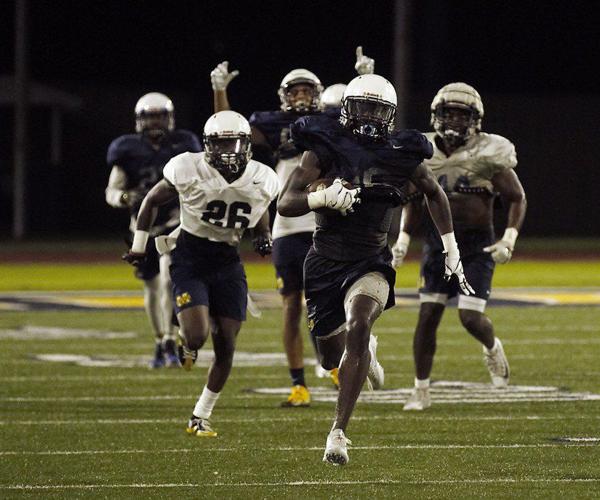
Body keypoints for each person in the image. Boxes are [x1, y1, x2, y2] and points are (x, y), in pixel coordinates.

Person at [277, 74, 472, 465]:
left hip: (371, 260)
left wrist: (452, 248)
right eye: (361, 107)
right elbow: (285, 203)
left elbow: (434, 193)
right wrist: (323, 198)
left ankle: (338, 432)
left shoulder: (401, 150)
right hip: (325, 262)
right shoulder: (323, 147)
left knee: (360, 321)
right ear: (347, 109)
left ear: (390, 116)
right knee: (331, 357)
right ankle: (367, 355)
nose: (367, 117)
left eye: (376, 110)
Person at [209, 47, 376, 407]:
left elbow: (367, 116)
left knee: (333, 300)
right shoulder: (272, 123)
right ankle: (299, 383)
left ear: (317, 94)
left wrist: (363, 79)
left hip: (327, 222)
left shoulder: (333, 120)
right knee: (291, 306)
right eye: (294, 91)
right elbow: (229, 131)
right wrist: (219, 91)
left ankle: (334, 364)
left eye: (306, 91)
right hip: (287, 222)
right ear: (284, 97)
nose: (301, 97)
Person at [123, 110, 279, 437]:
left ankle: (200, 415)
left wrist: (264, 234)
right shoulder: (188, 167)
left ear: (247, 145)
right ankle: (184, 338)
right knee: (196, 335)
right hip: (190, 257)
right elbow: (151, 201)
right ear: (208, 145)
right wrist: (140, 246)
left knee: (227, 345)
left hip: (228, 262)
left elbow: (259, 204)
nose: (228, 151)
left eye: (234, 143)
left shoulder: (262, 177)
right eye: (221, 144)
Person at [391, 83, 527, 411]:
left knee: (469, 318)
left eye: (460, 114)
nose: (453, 120)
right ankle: (420, 389)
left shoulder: (489, 151)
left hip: (477, 245)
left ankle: (492, 347)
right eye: (447, 113)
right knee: (428, 315)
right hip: (437, 244)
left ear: (475, 119)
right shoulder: (423, 150)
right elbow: (413, 200)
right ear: (436, 115)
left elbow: (517, 197)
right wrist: (403, 239)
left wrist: (508, 238)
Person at [105, 92, 201, 368]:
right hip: (142, 227)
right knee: (152, 285)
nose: (156, 122)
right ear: (140, 120)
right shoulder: (127, 149)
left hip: (174, 222)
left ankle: (172, 337)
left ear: (169, 118)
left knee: (169, 280)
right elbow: (113, 190)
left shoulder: (184, 144)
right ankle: (161, 340)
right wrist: (124, 199)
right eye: (151, 116)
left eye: (160, 115)